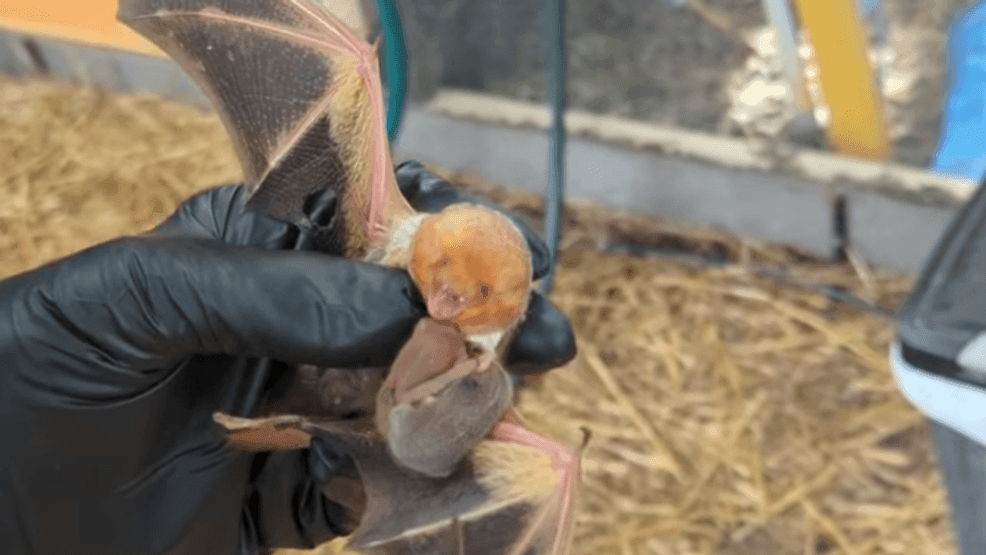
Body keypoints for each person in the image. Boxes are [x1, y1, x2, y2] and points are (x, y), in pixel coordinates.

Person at [0, 161, 576, 555]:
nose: (446, 300)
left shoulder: (490, 321)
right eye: (444, 280)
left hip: (374, 397)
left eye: (474, 298)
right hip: (310, 386)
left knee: (449, 442)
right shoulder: (403, 236)